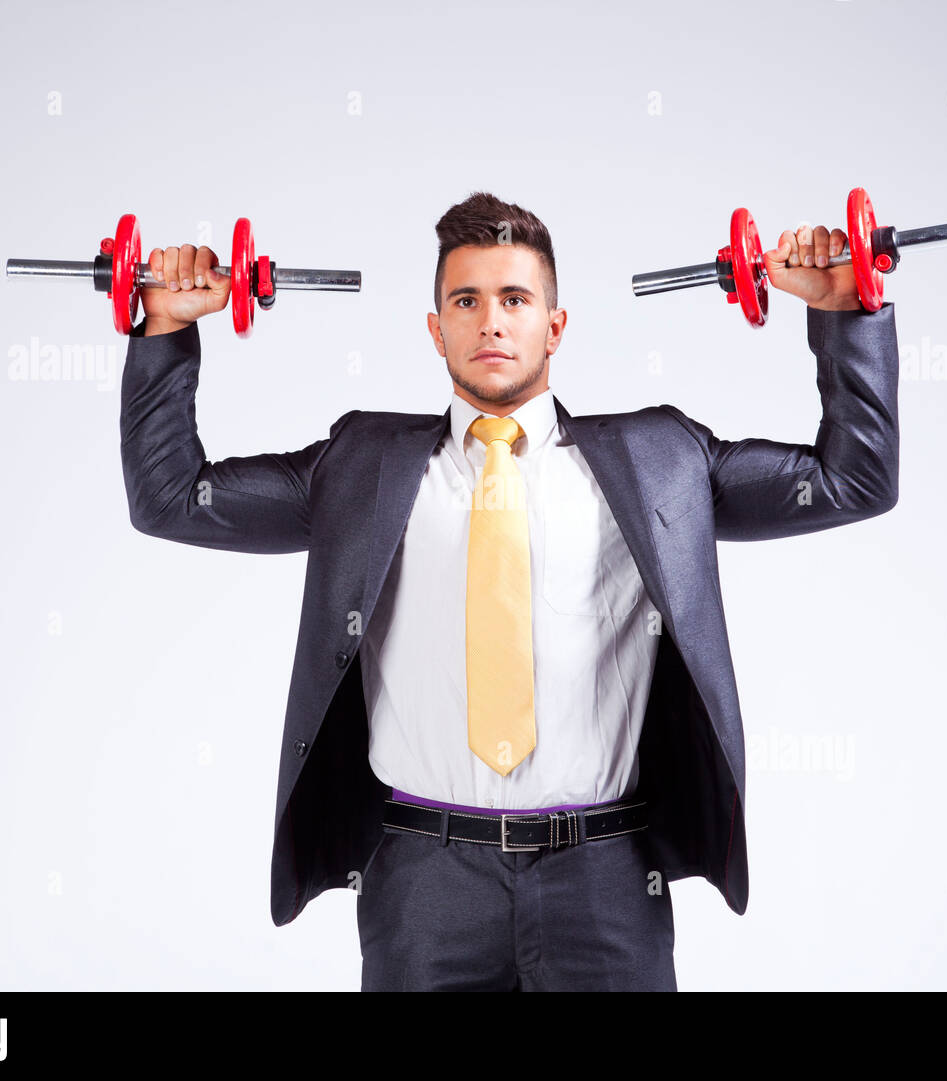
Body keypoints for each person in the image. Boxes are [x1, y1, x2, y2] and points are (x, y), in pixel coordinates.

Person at [120, 191, 899, 991]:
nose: (491, 321)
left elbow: (853, 481)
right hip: (425, 881)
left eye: (516, 299)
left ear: (554, 326)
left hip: (606, 880)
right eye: (467, 300)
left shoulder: (661, 459)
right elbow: (172, 498)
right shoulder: (359, 465)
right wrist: (167, 326)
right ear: (436, 328)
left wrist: (846, 311)